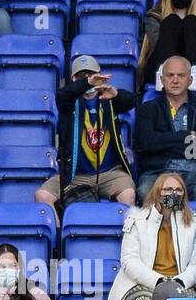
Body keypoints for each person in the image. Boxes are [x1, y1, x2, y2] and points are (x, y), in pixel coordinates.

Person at [36, 56, 138, 208]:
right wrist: (88, 83)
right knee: (42, 195)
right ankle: (58, 231)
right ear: (73, 79)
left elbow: (133, 100)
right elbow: (62, 95)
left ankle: (124, 232)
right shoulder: (69, 103)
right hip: (75, 176)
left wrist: (116, 95)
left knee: (128, 194)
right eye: (81, 76)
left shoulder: (108, 98)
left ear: (100, 75)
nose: (88, 79)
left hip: (110, 173)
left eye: (91, 75)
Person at [107, 173, 196, 300]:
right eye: (168, 189)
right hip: (144, 283)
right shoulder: (137, 220)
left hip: (180, 283)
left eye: (179, 190)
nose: (174, 194)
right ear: (157, 193)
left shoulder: (194, 223)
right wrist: (159, 282)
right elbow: (129, 262)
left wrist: (177, 282)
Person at [133, 56, 196, 203]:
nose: (175, 80)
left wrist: (161, 142)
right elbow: (145, 143)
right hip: (157, 172)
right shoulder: (147, 109)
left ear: (190, 80)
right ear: (162, 80)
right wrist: (185, 137)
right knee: (144, 192)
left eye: (181, 75)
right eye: (170, 75)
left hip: (192, 173)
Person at [140, 0, 196, 88]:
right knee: (172, 21)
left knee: (191, 21)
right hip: (159, 66)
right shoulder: (154, 17)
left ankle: (195, 71)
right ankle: (164, 72)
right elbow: (158, 45)